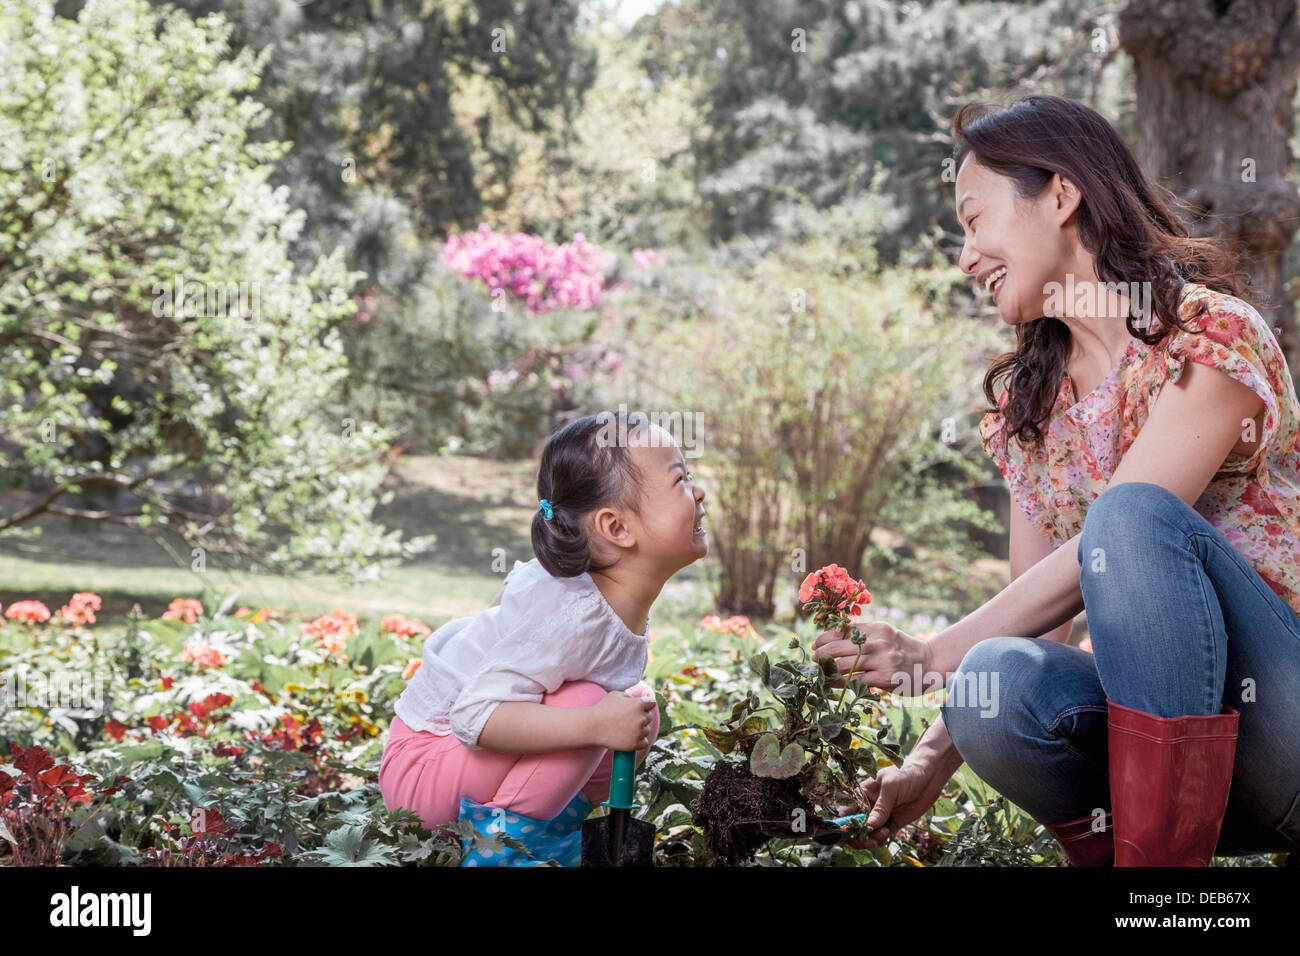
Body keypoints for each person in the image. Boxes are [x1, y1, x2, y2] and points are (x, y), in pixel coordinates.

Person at [814, 94, 1300, 867]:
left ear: (1063, 195)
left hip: (1285, 730)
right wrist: (930, 760)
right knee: (999, 675)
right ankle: (1148, 866)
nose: (965, 256)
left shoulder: (1208, 336)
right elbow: (1038, 626)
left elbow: (1115, 536)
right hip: (1182, 784)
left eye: (976, 221)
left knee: (1130, 520)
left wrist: (930, 651)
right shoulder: (1032, 411)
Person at [378, 408, 707, 865]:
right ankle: (501, 852)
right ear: (616, 528)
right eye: (680, 481)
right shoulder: (568, 614)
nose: (699, 491)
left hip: (453, 768)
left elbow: (506, 602)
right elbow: (474, 716)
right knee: (593, 705)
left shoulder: (592, 599)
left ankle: (555, 831)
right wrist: (594, 724)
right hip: (420, 774)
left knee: (633, 704)